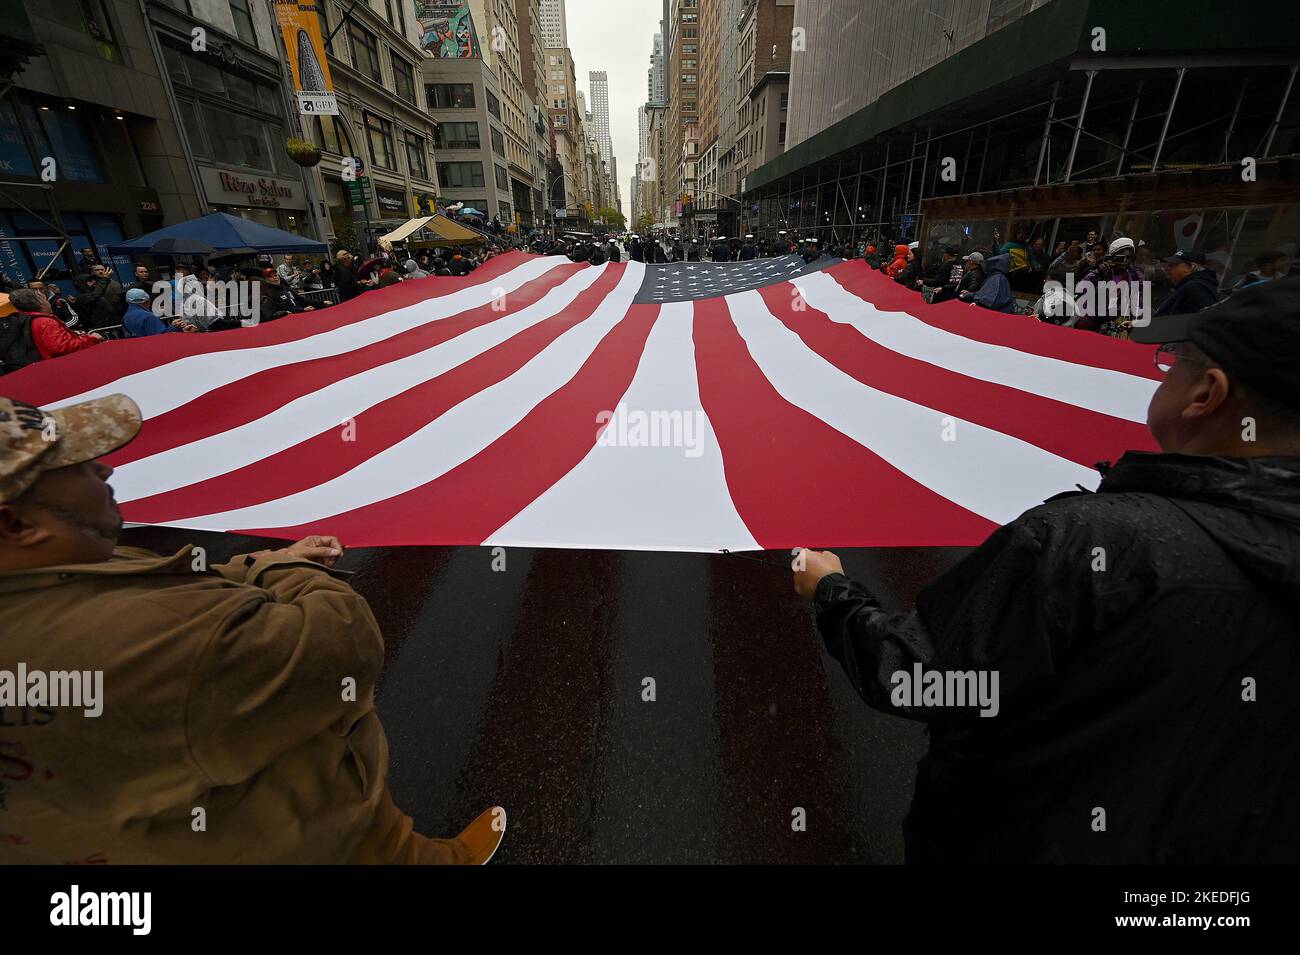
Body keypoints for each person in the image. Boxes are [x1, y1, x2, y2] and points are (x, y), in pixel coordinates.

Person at [791, 278, 1300, 864]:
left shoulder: (1092, 541)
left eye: (1175, 360)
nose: (1164, 370)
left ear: (1207, 394)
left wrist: (832, 591)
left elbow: (921, 676)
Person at [0, 393, 507, 864]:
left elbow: (166, 578)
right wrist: (291, 570)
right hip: (272, 829)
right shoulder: (156, 636)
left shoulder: (44, 579)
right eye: (75, 467)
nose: (104, 466)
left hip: (114, 825)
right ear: (16, 524)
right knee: (355, 835)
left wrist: (262, 560)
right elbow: (343, 640)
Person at [1, 288, 102, 371]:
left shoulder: (21, 319)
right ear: (40, 303)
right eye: (45, 299)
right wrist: (92, 338)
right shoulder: (45, 322)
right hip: (59, 368)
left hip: (36, 368)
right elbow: (63, 348)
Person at [1153, 249, 1220, 318]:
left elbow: (1209, 318)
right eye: (1168, 265)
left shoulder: (1196, 287)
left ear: (1191, 267)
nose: (1167, 268)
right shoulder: (1188, 286)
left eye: (1173, 265)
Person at [123, 286, 196, 337]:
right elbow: (161, 337)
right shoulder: (149, 317)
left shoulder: (125, 317)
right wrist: (174, 327)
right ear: (147, 300)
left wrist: (182, 330)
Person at [73, 264, 126, 331]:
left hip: (114, 321)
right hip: (101, 327)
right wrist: (105, 279)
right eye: (90, 281)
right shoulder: (82, 297)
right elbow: (96, 294)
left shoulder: (105, 284)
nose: (93, 282)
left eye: (102, 269)